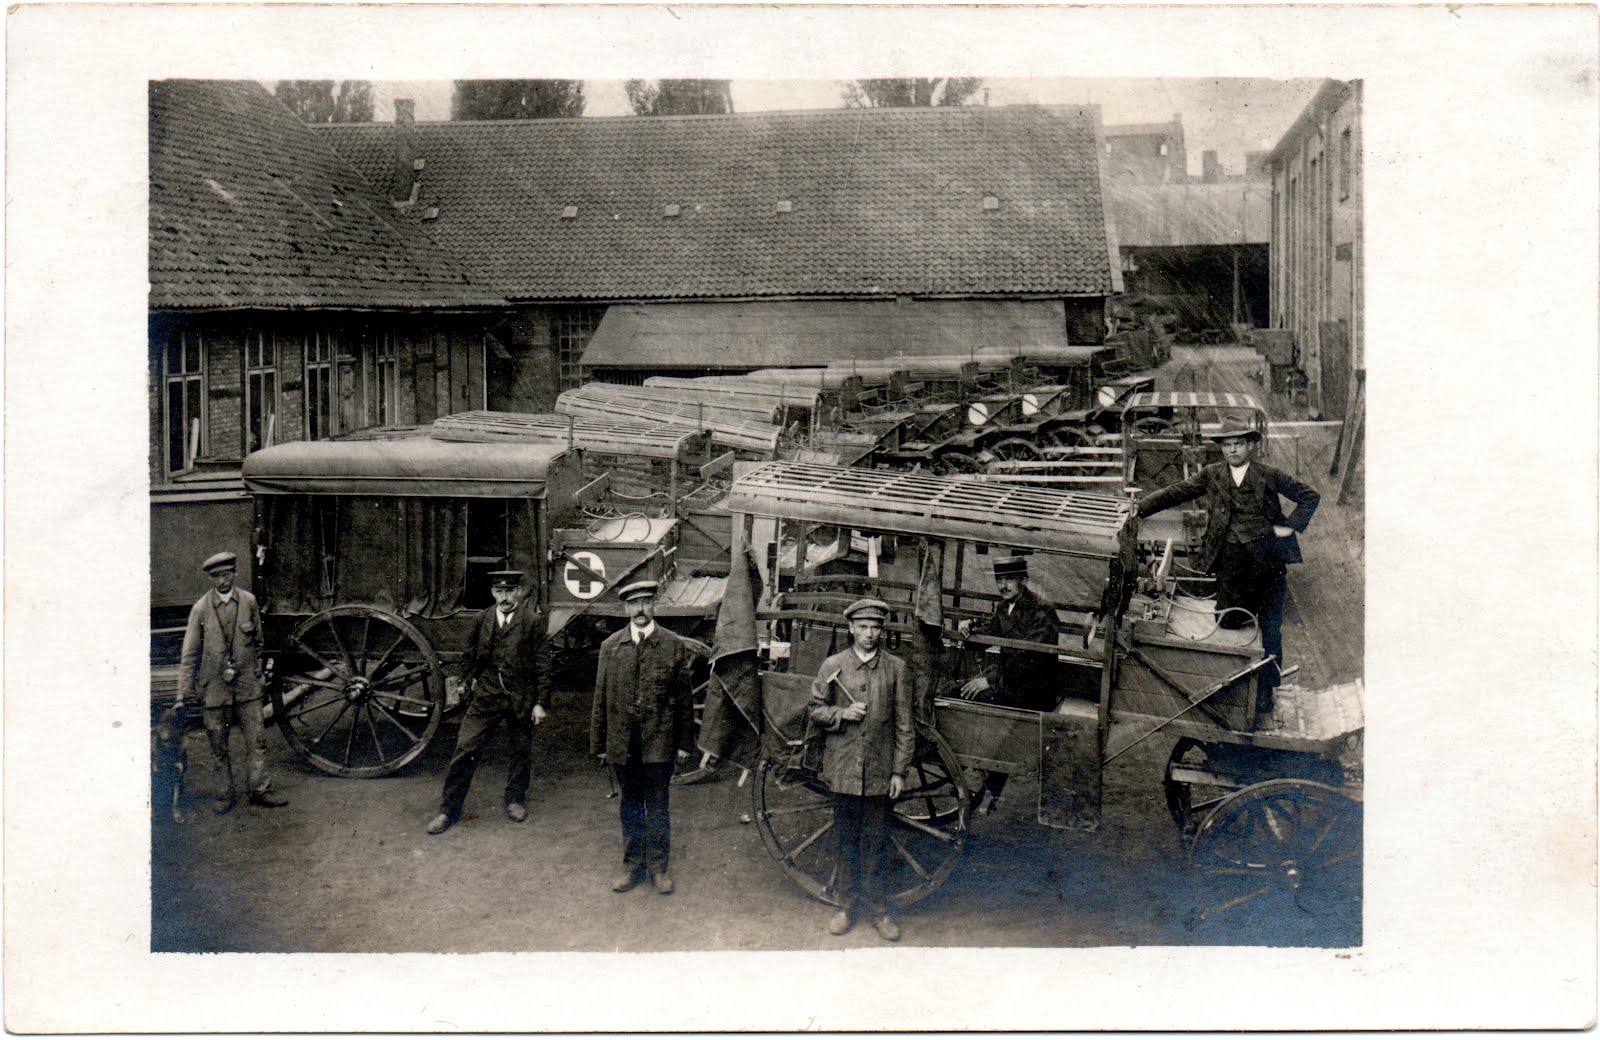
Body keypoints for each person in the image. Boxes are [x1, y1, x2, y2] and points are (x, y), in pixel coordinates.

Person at [1135, 414, 1320, 714]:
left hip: (1268, 564)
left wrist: (1290, 526)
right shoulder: (1212, 474)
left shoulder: (1268, 474)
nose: (1233, 450)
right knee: (1230, 624)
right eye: (1227, 445)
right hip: (1231, 565)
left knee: (1271, 629)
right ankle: (1236, 696)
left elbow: (1310, 496)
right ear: (1221, 448)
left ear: (1250, 446)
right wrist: (1140, 508)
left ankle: (1266, 695)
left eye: (1239, 444)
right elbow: (1177, 491)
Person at [808, 598, 914, 942]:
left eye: (876, 627)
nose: (869, 634)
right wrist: (842, 714)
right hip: (842, 770)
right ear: (851, 628)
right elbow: (815, 710)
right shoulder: (833, 665)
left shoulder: (896, 668)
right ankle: (848, 907)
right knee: (847, 840)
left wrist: (898, 771)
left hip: (880, 772)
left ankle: (880, 911)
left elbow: (904, 725)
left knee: (877, 841)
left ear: (882, 630)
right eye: (863, 627)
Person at [590, 580, 696, 895]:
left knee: (659, 805)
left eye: (646, 602)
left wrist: (684, 743)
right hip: (624, 744)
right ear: (625, 609)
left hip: (659, 743)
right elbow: (601, 697)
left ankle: (658, 869)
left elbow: (684, 699)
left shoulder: (672, 644)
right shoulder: (611, 646)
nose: (640, 610)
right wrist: (599, 744)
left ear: (654, 605)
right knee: (630, 804)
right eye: (633, 604)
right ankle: (632, 865)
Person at [427, 570, 552, 835]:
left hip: (520, 697)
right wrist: (464, 681)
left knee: (520, 750)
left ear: (519, 592)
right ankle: (448, 809)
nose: (504, 597)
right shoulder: (482, 619)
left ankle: (515, 799)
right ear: (493, 593)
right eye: (499, 592)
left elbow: (543, 665)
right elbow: (469, 655)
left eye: (509, 591)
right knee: (465, 748)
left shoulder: (531, 622)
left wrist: (540, 702)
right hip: (486, 695)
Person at [173, 551, 287, 814]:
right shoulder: (200, 609)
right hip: (213, 689)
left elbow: (258, 642)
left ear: (234, 574)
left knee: (257, 740)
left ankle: (260, 789)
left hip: (247, 685)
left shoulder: (249, 602)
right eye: (216, 577)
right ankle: (224, 793)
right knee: (218, 744)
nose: (222, 581)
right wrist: (184, 692)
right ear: (211, 579)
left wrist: (256, 672)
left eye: (226, 575)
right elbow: (189, 654)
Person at [956, 555, 1061, 813]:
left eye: (1009, 580)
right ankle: (985, 780)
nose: (1003, 585)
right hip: (1013, 682)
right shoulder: (1005, 607)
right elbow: (990, 632)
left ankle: (980, 776)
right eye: (999, 579)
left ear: (1023, 580)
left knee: (985, 699)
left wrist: (990, 681)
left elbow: (1030, 661)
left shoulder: (1041, 611)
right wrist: (969, 628)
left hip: (1034, 688)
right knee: (966, 691)